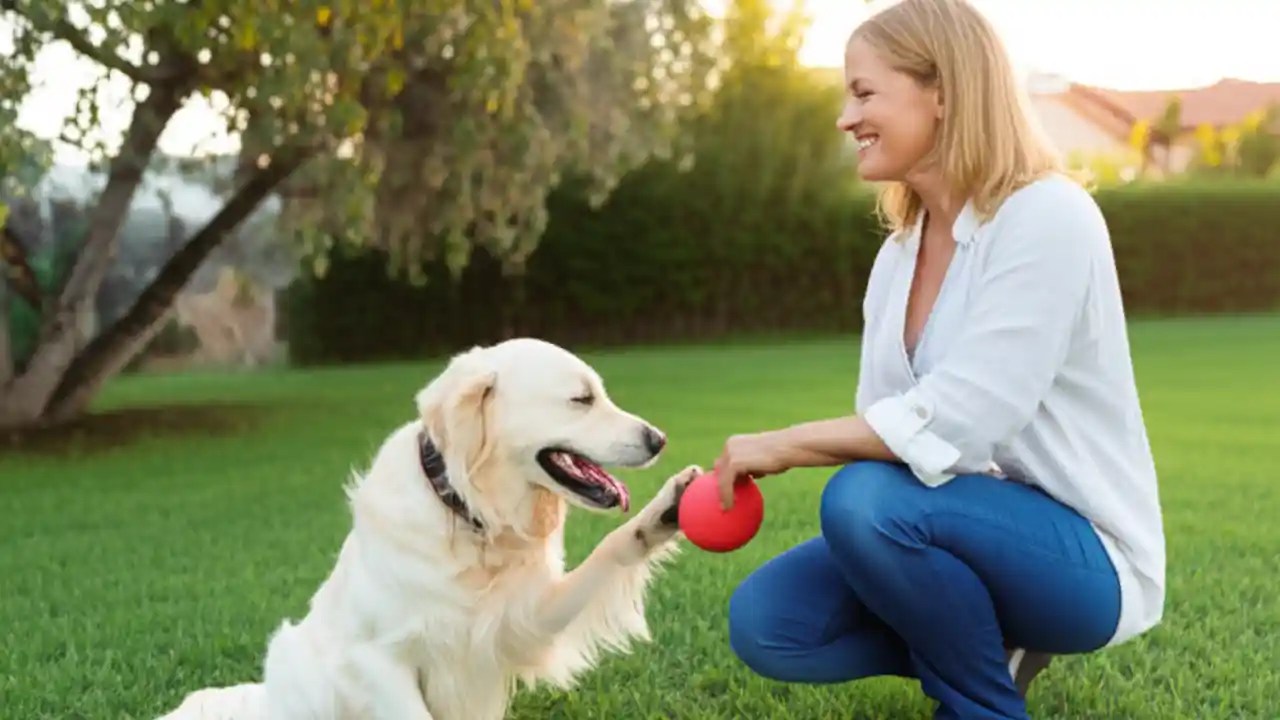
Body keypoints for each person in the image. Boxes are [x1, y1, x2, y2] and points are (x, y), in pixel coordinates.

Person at [712, 0, 1166, 718]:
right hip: (960, 529)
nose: (845, 117)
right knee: (771, 623)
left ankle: (982, 704)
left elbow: (963, 420)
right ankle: (988, 650)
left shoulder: (1048, 216)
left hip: (1083, 558)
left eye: (864, 93)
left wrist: (785, 445)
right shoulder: (898, 256)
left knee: (862, 501)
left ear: (945, 93)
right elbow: (888, 428)